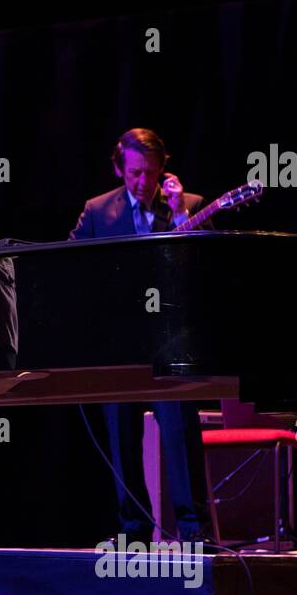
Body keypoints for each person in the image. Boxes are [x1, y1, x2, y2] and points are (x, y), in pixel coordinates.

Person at [69, 128, 216, 546]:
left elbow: (203, 270)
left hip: (168, 342)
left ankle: (193, 530)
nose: (142, 182)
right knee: (121, 434)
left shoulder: (188, 207)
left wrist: (180, 215)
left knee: (179, 430)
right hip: (118, 343)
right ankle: (134, 531)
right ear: (119, 168)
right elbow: (69, 266)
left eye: (150, 174)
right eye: (134, 173)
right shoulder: (97, 211)